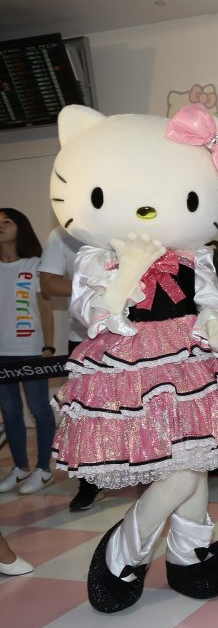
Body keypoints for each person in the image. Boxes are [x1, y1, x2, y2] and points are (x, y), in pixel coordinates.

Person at [39, 227, 104, 511]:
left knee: (143, 405)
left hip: (136, 334)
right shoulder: (61, 234)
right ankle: (88, 483)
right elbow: (49, 284)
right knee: (83, 414)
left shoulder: (129, 221)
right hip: (84, 337)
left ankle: (150, 474)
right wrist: (99, 286)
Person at [0, 208, 56, 496]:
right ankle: (20, 467)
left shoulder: (35, 264)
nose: (1, 226)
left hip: (31, 350)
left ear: (20, 227)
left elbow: (46, 308)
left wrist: (48, 345)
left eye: (6, 221)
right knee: (10, 412)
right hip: (1, 353)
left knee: (38, 410)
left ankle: (43, 468)